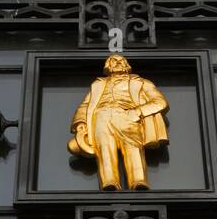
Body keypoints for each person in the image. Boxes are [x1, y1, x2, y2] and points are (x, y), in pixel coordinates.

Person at [69, 55, 168, 191]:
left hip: (128, 116)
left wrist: (137, 112)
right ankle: (109, 182)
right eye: (114, 61)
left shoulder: (142, 82)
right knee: (104, 148)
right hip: (101, 117)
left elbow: (160, 102)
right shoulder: (98, 84)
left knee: (133, 147)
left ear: (127, 65)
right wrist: (80, 123)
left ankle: (138, 181)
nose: (118, 63)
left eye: (122, 61)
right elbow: (85, 105)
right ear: (107, 66)